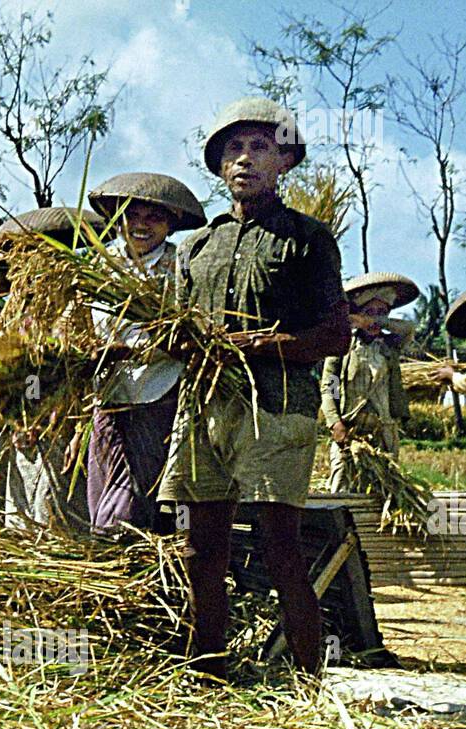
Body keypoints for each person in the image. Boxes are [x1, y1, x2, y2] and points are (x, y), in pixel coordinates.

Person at [157, 97, 351, 678]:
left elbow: (337, 335)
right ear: (219, 167)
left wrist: (265, 346)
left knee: (278, 542)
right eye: (234, 150)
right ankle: (206, 668)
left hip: (278, 408)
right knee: (200, 546)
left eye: (260, 148)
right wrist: (180, 339)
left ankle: (310, 678)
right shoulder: (197, 247)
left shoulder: (309, 240)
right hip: (204, 405)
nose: (245, 159)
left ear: (285, 161)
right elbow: (176, 332)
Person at [71, 174, 206, 538]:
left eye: (155, 218)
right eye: (133, 215)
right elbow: (77, 324)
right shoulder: (96, 265)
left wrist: (133, 350)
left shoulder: (182, 268)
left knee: (142, 490)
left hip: (159, 390)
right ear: (116, 219)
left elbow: (192, 335)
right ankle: (109, 559)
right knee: (101, 484)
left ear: (172, 224)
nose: (142, 225)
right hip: (106, 394)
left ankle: (134, 559)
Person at [0, 206, 101, 533]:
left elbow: (84, 375)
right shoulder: (17, 305)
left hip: (57, 432)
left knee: (56, 522)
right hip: (19, 431)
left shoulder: (78, 304)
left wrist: (75, 430)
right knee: (20, 523)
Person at [321, 273, 417, 491]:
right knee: (341, 486)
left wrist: (375, 321)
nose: (375, 319)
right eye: (369, 311)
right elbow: (330, 387)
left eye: (382, 313)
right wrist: (335, 422)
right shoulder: (342, 347)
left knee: (383, 490)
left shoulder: (391, 345)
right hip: (350, 430)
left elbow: (409, 328)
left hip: (383, 432)